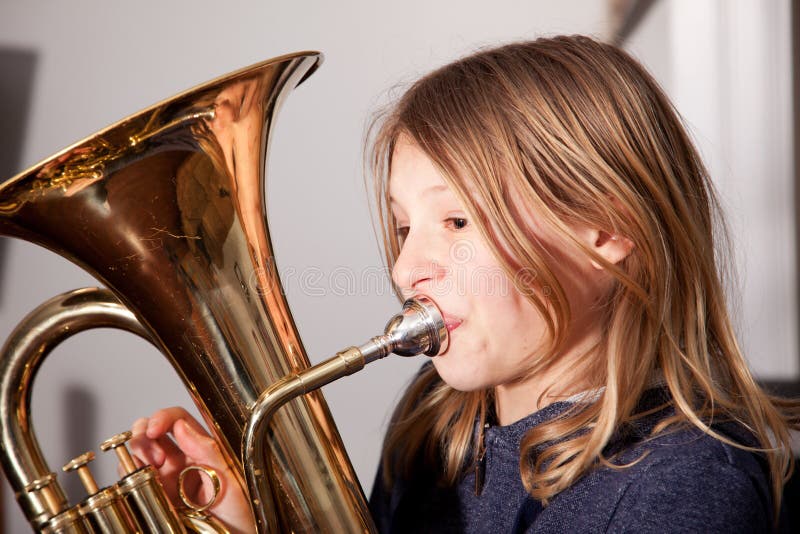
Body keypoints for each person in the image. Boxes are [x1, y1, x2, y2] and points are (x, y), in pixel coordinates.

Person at [130, 35, 799, 532]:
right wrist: (250, 521)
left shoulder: (689, 487)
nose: (405, 268)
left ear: (604, 231)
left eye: (455, 220)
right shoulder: (432, 423)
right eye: (401, 228)